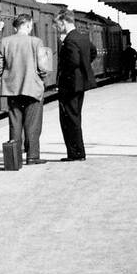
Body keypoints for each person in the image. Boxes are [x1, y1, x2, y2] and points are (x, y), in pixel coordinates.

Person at [0, 14, 50, 165]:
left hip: (12, 89)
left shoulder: (5, 42)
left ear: (16, 26)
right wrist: (41, 77)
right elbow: (43, 67)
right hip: (33, 88)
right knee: (32, 124)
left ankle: (14, 158)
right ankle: (32, 157)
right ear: (27, 25)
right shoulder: (36, 42)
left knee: (15, 123)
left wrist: (7, 75)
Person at [54, 10, 96, 162]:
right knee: (75, 117)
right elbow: (93, 52)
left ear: (64, 22)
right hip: (80, 84)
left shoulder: (70, 40)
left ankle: (76, 153)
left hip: (70, 85)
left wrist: (66, 77)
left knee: (69, 119)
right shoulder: (83, 37)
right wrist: (85, 67)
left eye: (58, 24)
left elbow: (72, 62)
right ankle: (77, 152)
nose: (58, 27)